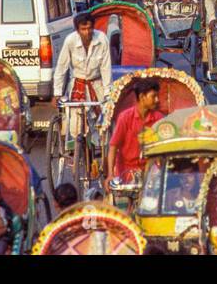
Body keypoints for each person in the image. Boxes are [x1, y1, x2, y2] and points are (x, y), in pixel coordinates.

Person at [54, 12, 113, 142]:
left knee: (101, 123)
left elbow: (106, 68)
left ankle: (98, 149)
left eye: (89, 28)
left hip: (97, 85)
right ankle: (77, 151)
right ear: (77, 30)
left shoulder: (102, 39)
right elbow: (61, 67)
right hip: (77, 85)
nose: (87, 32)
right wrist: (57, 93)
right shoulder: (70, 41)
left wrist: (108, 93)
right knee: (76, 125)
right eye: (83, 29)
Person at [106, 77, 164, 186]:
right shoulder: (125, 117)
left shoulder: (159, 119)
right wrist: (110, 175)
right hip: (126, 172)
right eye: (153, 96)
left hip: (151, 172)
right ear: (142, 97)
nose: (157, 100)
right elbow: (113, 147)